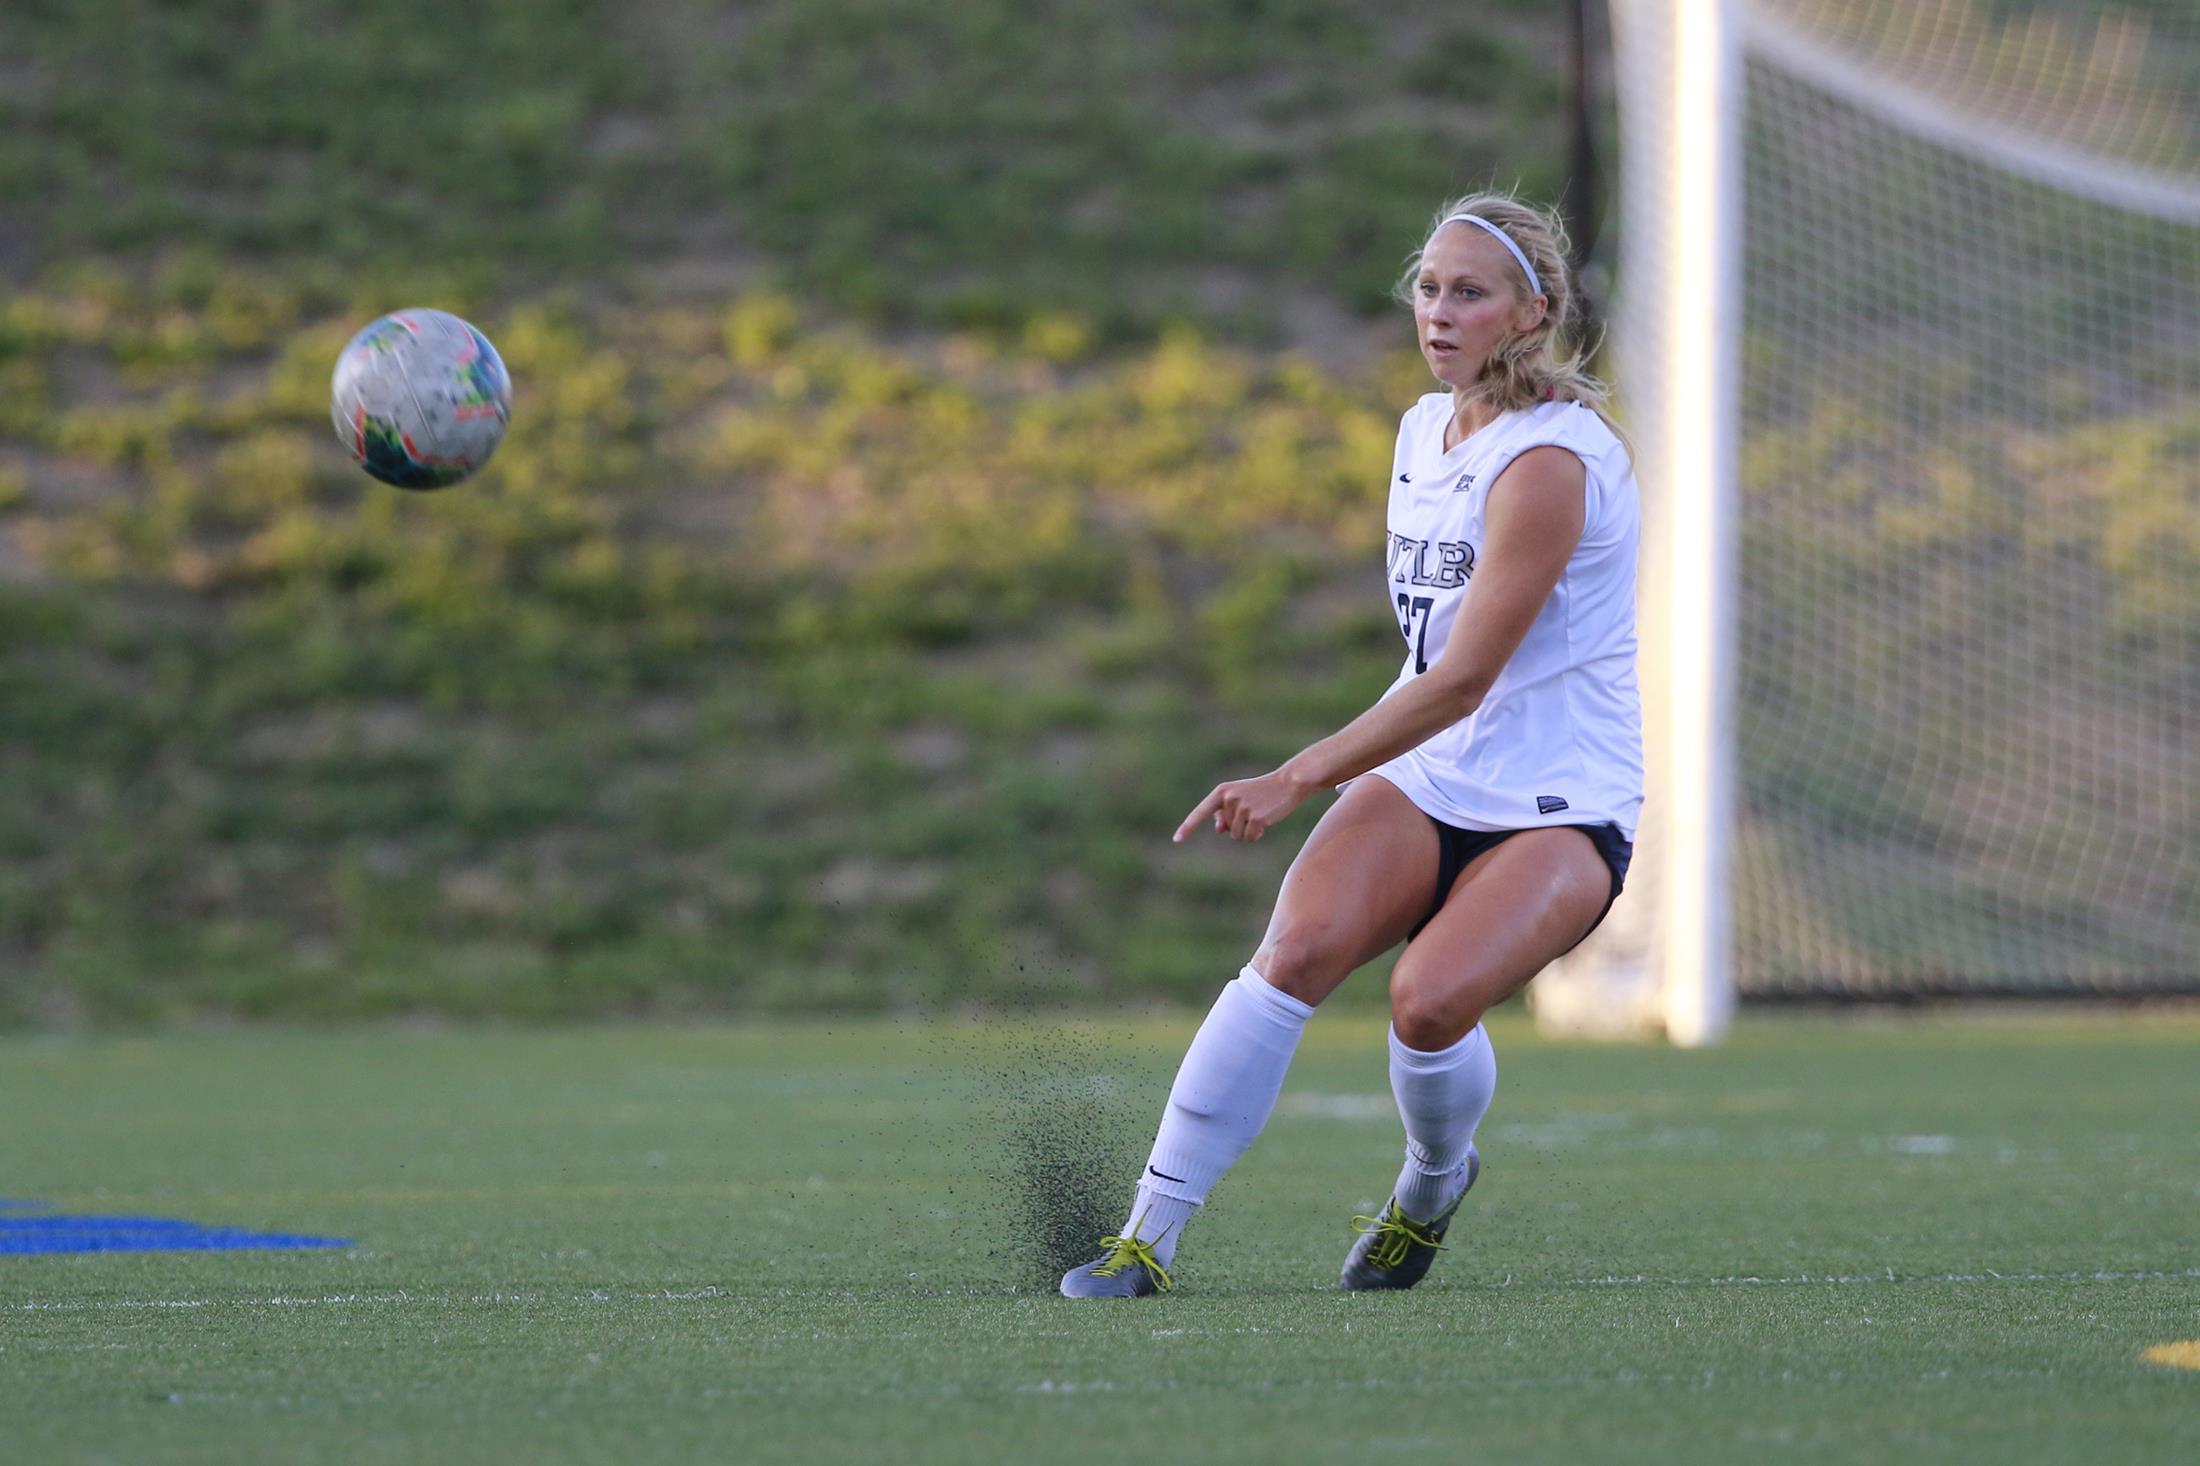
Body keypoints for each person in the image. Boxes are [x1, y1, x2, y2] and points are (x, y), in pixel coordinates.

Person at [1061, 192, 1643, 1297]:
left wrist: (1298, 773)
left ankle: (1431, 1184)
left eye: (1468, 291)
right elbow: (1433, 672)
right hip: (1427, 775)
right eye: (1427, 286)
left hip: (1561, 799)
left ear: (1530, 311)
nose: (1437, 311)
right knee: (1291, 952)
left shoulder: (1550, 462)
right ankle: (1147, 1237)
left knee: (1426, 1000)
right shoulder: (1423, 431)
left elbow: (1465, 677)